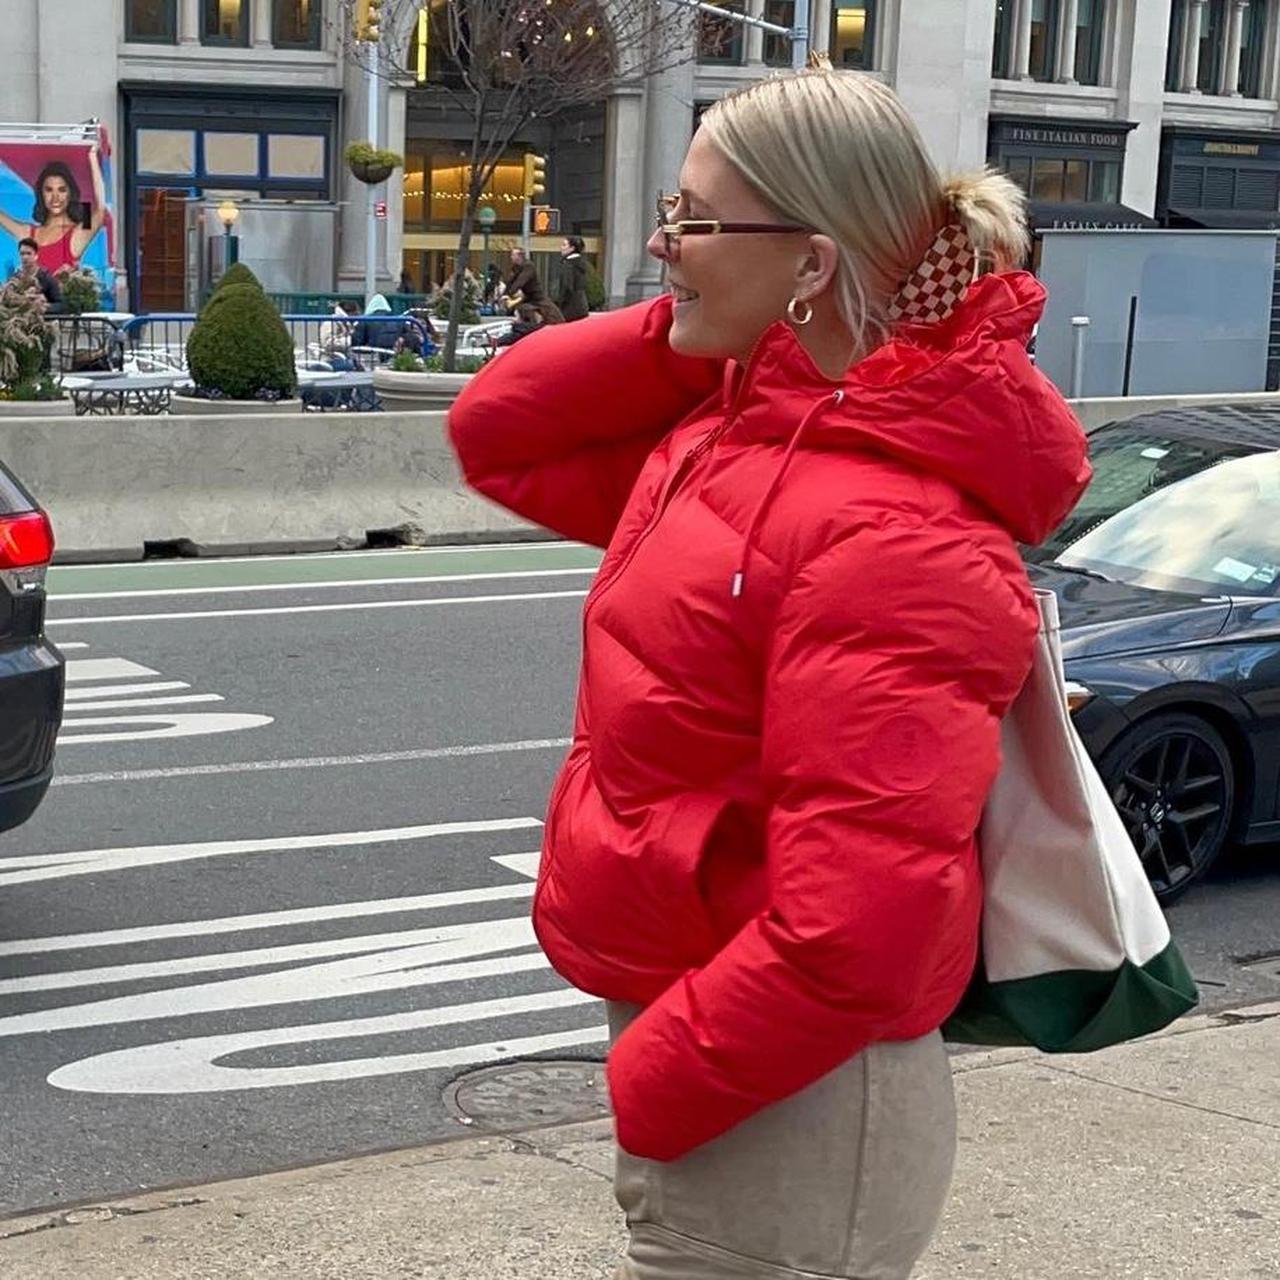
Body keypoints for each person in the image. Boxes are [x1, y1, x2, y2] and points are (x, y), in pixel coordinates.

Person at [450, 68, 1090, 1280]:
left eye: (693, 218)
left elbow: (856, 924)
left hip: (786, 1095)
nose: (658, 242)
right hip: (727, 1046)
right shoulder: (725, 436)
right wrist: (719, 324)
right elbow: (501, 431)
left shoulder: (890, 530)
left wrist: (655, 1079)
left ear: (807, 261)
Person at [0, 147, 108, 274]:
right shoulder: (29, 233)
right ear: (42, 194)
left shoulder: (76, 234)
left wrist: (92, 157)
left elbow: (100, 210)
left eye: (62, 190)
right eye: (49, 190)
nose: (55, 197)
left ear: (70, 194)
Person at [12, 237, 63, 311]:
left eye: (29, 254)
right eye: (22, 254)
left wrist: (44, 306)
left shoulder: (47, 279)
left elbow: (60, 305)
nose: (25, 257)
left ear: (36, 256)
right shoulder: (14, 279)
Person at [554, 235, 590, 321]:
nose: (561, 248)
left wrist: (559, 303)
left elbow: (567, 287)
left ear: (572, 248)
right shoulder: (581, 263)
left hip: (569, 309)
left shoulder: (569, 265)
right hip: (581, 306)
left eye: (564, 245)